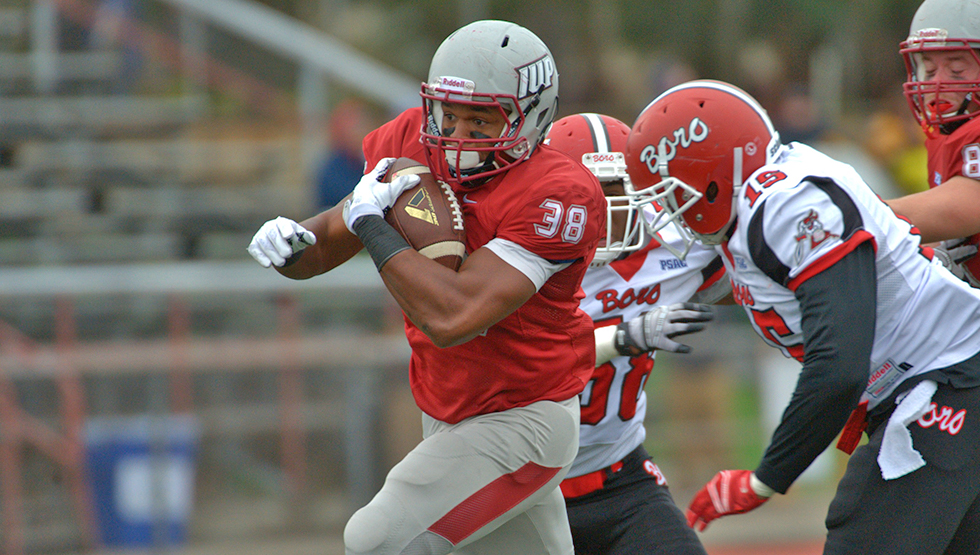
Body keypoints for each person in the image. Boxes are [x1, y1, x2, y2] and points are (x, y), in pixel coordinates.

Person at [247, 20, 606, 555]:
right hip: (445, 412)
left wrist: (373, 226)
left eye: (480, 121)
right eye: (449, 114)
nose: (457, 135)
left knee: (376, 541)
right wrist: (292, 245)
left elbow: (452, 319)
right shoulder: (410, 142)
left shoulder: (558, 193)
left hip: (523, 421)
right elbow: (326, 243)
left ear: (532, 118)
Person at [624, 79, 980, 554]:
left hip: (950, 380)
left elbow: (839, 366)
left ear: (709, 178)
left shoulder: (789, 207)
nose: (666, 211)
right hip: (941, 381)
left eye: (670, 194)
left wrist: (765, 478)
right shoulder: (752, 211)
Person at [546, 113, 725, 555]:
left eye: (619, 188)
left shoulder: (677, 245)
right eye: (594, 191)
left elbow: (765, 258)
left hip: (620, 476)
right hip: (521, 484)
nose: (611, 205)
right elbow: (526, 361)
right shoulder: (517, 261)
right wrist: (625, 336)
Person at [886, 0, 980, 285]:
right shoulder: (947, 136)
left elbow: (964, 207)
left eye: (957, 70)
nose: (936, 82)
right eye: (928, 69)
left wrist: (857, 211)